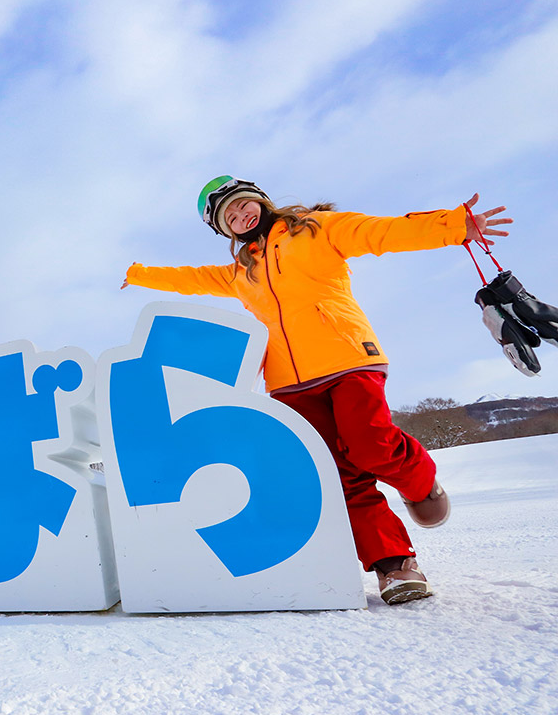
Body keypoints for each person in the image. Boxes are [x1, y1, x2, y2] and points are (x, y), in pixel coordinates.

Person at [121, 177, 512, 605]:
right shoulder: (241, 273)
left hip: (347, 360)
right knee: (340, 476)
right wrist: (138, 274)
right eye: (228, 217)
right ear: (225, 230)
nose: (240, 216)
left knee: (370, 446)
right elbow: (193, 279)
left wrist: (453, 227)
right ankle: (394, 566)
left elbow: (379, 231)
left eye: (242, 205)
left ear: (261, 201)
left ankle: (421, 482)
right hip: (289, 384)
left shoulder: (314, 229)